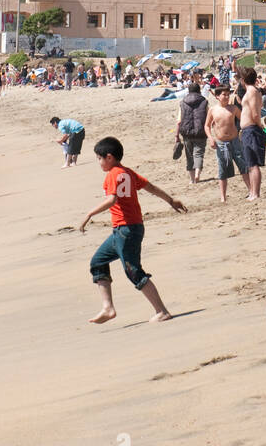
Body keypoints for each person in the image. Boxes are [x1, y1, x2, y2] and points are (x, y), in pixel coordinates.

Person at [78, 135, 187, 324]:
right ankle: (108, 308)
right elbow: (150, 187)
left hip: (126, 230)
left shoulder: (113, 174)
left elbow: (112, 199)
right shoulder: (128, 172)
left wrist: (89, 214)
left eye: (99, 158)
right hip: (126, 230)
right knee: (98, 262)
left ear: (109, 157)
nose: (99, 162)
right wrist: (170, 200)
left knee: (133, 271)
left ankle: (162, 311)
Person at [205, 85, 248, 203]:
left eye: (228, 94)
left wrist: (244, 131)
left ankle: (251, 190)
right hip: (221, 143)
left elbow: (244, 119)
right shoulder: (213, 110)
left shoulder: (233, 108)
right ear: (217, 96)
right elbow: (207, 126)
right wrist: (210, 138)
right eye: (224, 94)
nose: (227, 97)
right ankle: (223, 197)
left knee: (243, 166)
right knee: (222, 170)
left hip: (235, 141)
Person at [238, 69, 265, 202]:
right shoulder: (251, 91)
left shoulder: (252, 91)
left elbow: (254, 113)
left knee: (253, 164)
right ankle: (253, 192)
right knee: (250, 163)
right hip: (249, 130)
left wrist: (259, 124)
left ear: (243, 80)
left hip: (252, 129)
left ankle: (255, 193)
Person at [176, 79, 209, 183]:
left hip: (187, 132)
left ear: (188, 91)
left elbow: (179, 121)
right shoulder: (204, 101)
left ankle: (192, 179)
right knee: (198, 153)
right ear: (199, 91)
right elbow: (208, 117)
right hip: (200, 131)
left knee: (189, 156)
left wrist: (176, 135)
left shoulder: (183, 102)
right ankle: (198, 173)